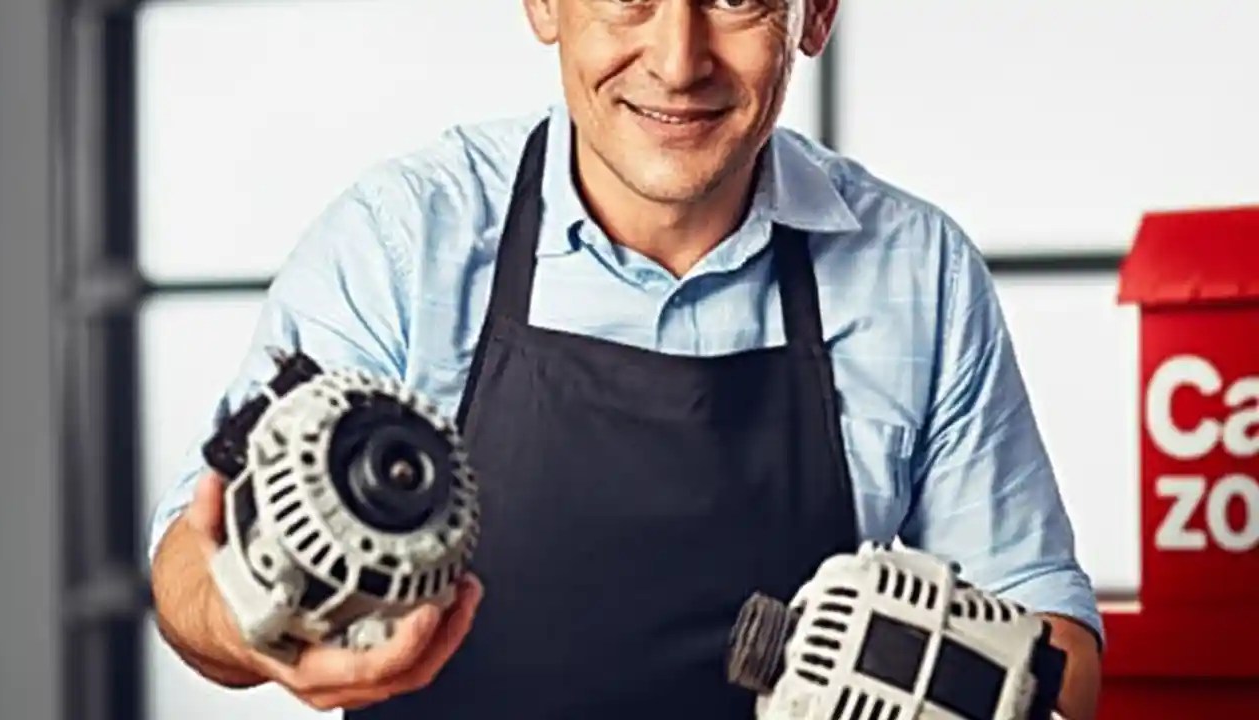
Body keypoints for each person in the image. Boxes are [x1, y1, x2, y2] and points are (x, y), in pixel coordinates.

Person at [148, 0, 1104, 718]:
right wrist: (255, 629)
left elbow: (1051, 639)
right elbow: (194, 561)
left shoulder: (913, 271)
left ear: (816, 14)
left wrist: (970, 690)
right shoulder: (409, 241)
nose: (678, 59)